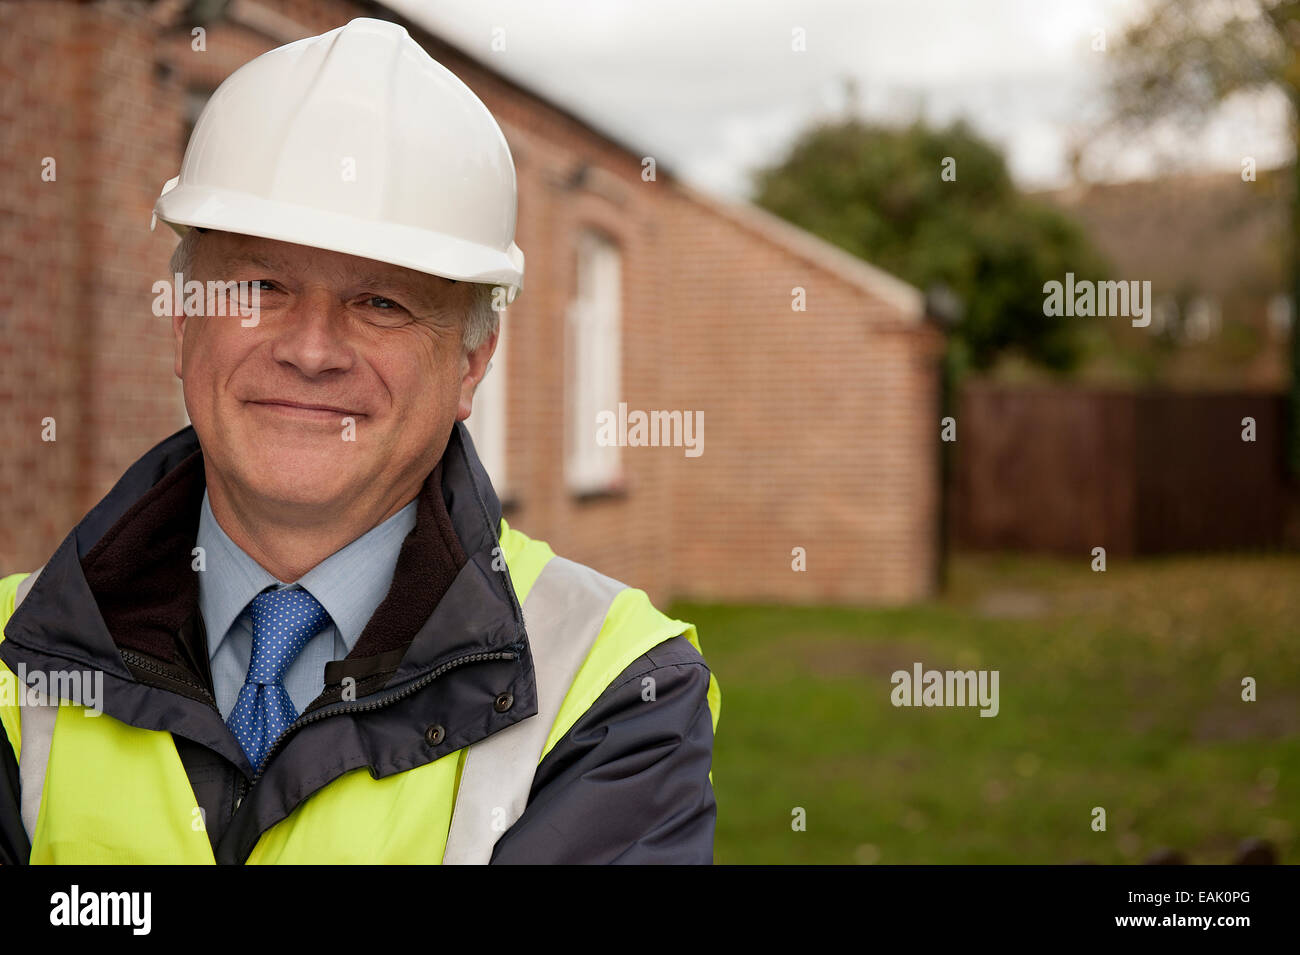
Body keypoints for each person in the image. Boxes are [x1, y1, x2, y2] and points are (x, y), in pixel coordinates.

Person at [0, 17, 719, 865]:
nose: (310, 350)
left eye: (381, 302)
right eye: (261, 284)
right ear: (183, 320)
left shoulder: (614, 687)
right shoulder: (15, 662)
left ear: (471, 360)